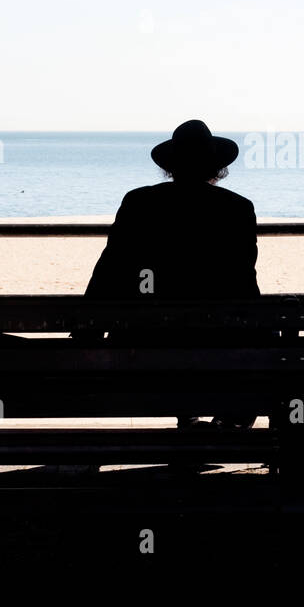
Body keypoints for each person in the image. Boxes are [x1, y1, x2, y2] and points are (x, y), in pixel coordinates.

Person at [86, 119, 259, 430]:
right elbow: (244, 282)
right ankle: (227, 421)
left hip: (141, 351)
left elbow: (109, 271)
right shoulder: (237, 208)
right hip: (219, 350)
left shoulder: (138, 202)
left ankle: (189, 414)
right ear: (216, 167)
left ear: (170, 166)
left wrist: (89, 328)